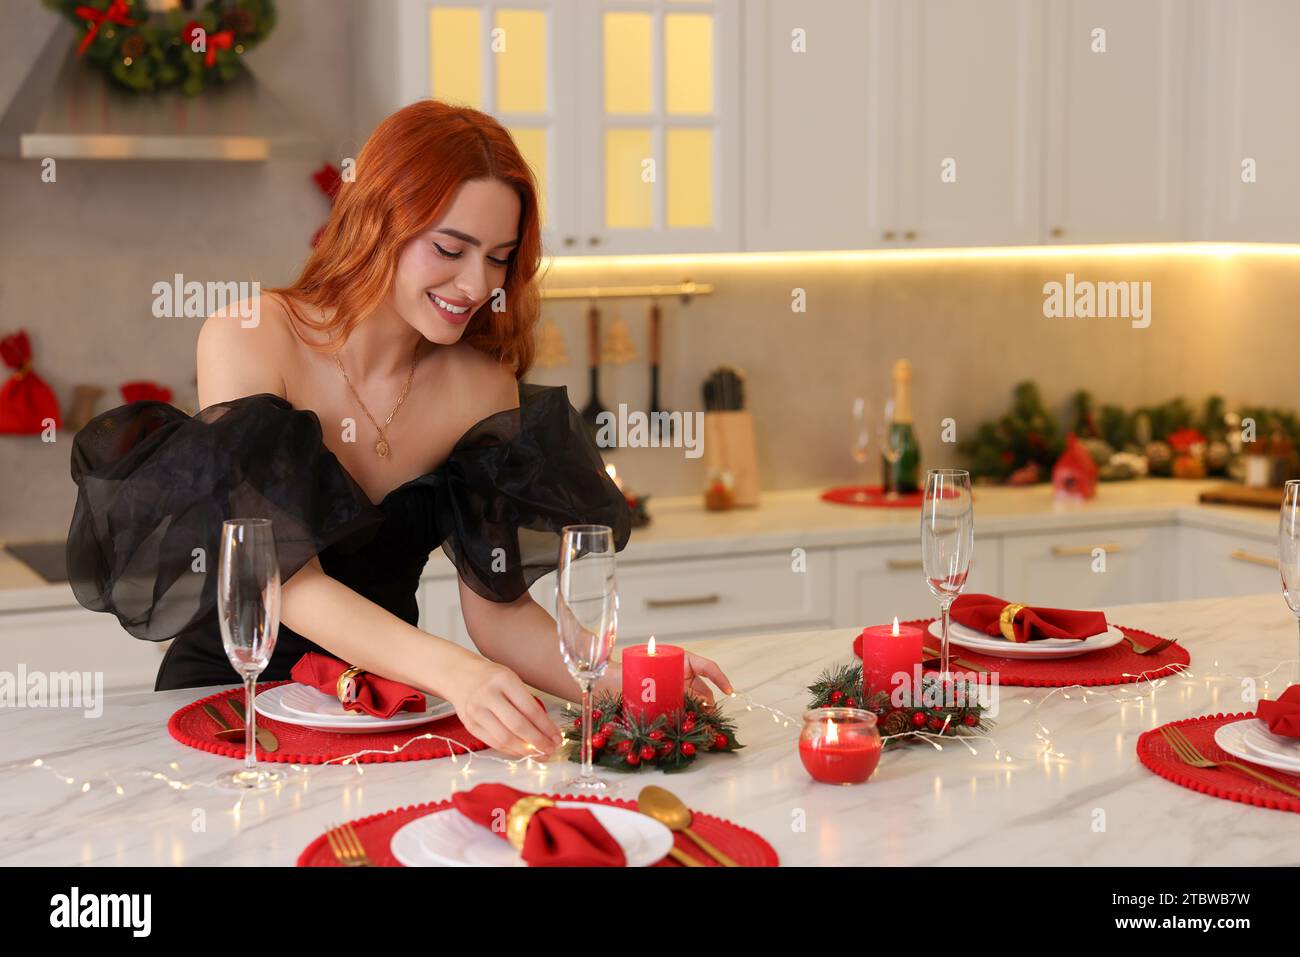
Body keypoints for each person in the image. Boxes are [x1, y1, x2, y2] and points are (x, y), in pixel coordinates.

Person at [67, 100, 732, 758]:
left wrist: (623, 683)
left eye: (499, 257)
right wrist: (458, 673)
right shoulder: (252, 335)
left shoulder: (482, 386)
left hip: (380, 715)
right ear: (378, 220)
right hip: (229, 702)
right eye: (450, 248)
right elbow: (287, 581)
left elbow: (499, 613)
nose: (475, 283)